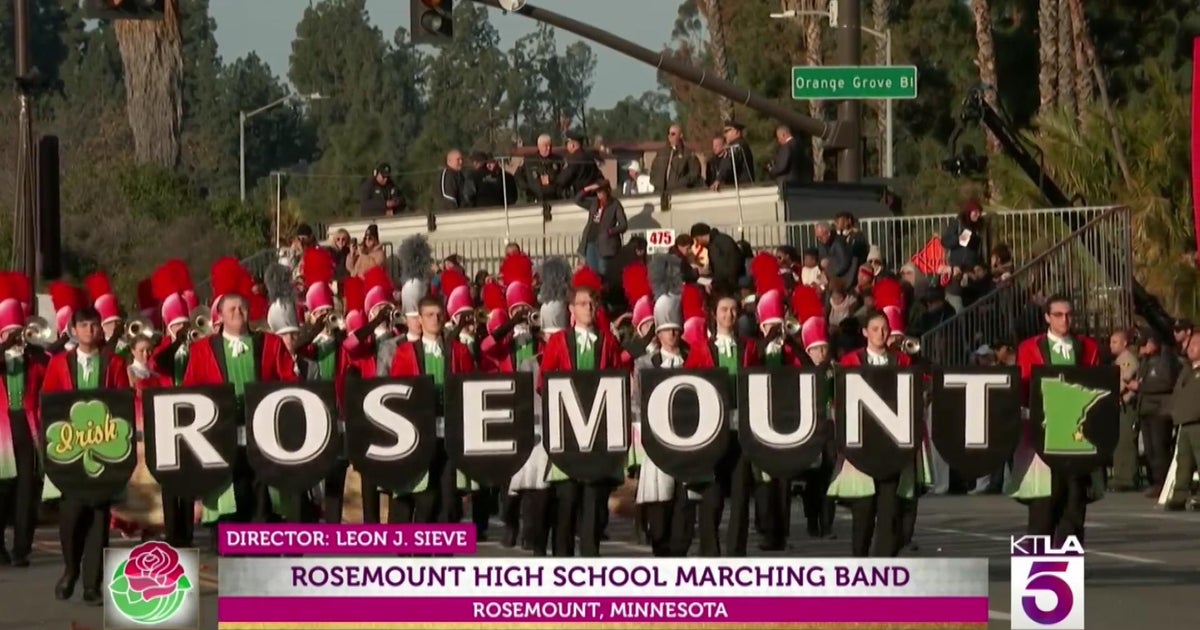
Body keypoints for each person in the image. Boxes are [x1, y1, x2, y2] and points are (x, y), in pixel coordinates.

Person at [183, 259, 297, 527]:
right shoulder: (203, 350)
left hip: (264, 438)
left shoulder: (271, 343)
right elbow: (191, 390)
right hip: (221, 440)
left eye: (242, 307)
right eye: (231, 308)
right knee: (230, 509)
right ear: (220, 314)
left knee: (264, 508)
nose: (238, 312)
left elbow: (289, 382)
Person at [44, 306, 131, 604]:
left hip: (104, 449)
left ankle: (92, 585)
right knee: (72, 515)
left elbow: (124, 402)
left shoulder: (115, 363)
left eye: (95, 325)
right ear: (74, 330)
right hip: (71, 450)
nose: (91, 331)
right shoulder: (59, 364)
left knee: (98, 517)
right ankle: (70, 569)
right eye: (84, 326)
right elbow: (50, 404)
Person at [538, 284, 626, 556]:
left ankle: (590, 566)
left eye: (592, 303)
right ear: (572, 309)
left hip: (597, 438)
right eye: (583, 303)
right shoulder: (558, 342)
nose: (588, 308)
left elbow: (617, 382)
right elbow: (544, 383)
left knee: (593, 508)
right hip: (566, 436)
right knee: (566, 503)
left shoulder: (608, 342)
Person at [1009, 294, 1102, 544]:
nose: (1065, 320)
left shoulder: (1090, 347)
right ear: (1047, 317)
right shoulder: (1029, 347)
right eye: (1059, 315)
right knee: (1043, 502)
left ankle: (1067, 564)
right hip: (1041, 435)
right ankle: (1041, 564)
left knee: (1074, 502)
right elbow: (1023, 387)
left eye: (1069, 314)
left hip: (1077, 436)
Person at [830, 308, 916, 557]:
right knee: (864, 512)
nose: (881, 333)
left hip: (893, 446)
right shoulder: (850, 362)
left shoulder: (902, 361)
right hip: (862, 445)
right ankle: (860, 564)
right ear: (865, 332)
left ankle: (885, 567)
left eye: (885, 329)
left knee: (890, 513)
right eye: (876, 329)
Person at [683, 293, 759, 556]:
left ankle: (737, 554)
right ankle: (709, 553)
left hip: (741, 433)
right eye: (724, 310)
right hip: (712, 434)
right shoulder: (701, 348)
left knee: (740, 497)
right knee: (712, 498)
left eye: (733, 310)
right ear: (714, 314)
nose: (729, 315)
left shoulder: (748, 347)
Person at [389, 297, 475, 523]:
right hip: (420, 433)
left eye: (438, 314)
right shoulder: (406, 352)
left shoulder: (458, 350)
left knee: (448, 501)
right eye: (429, 315)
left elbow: (468, 384)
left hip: (449, 433)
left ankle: (443, 554)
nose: (435, 319)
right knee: (425, 498)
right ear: (419, 319)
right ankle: (421, 551)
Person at [630, 256, 689, 556]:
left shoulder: (692, 360)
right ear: (658, 332)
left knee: (683, 500)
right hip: (654, 441)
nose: (672, 334)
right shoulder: (644, 363)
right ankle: (659, 546)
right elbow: (635, 400)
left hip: (688, 440)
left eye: (676, 329)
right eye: (667, 329)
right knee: (658, 498)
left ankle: (679, 550)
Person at [0, 273, 46, 568]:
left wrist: (30, 348)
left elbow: (51, 368)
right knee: (2, 488)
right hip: (2, 427)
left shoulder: (34, 358)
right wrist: (4, 347)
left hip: (28, 425)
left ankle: (21, 548)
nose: (16, 337)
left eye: (19, 331)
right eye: (10, 332)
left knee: (27, 488)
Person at [1133, 329, 1179, 498]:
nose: (1145, 346)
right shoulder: (1146, 361)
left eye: (1148, 342)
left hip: (1160, 410)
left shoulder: (1165, 360)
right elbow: (1141, 378)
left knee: (1160, 448)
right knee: (1150, 449)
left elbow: (1166, 382)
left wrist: (1141, 387)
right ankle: (1156, 481)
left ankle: (1163, 483)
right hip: (1145, 409)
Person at [1164, 332, 1200, 510]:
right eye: (1190, 344)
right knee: (1183, 461)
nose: (1190, 348)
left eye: (1195, 344)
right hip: (1184, 421)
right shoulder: (1186, 369)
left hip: (1197, 421)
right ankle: (1179, 496)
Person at [575, 180, 628, 277]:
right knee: (592, 270)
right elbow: (577, 200)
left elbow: (623, 224)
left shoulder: (615, 204)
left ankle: (604, 289)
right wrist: (588, 188)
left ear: (607, 191)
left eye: (601, 192)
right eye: (597, 192)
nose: (599, 194)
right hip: (590, 240)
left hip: (605, 243)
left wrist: (610, 231)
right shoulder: (594, 203)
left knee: (603, 270)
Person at [1109, 329, 1140, 491]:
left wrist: (1109, 394)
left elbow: (1123, 382)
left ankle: (1126, 478)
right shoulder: (1119, 360)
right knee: (1119, 441)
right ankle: (1120, 476)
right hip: (1119, 405)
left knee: (1125, 441)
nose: (1111, 345)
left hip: (1126, 406)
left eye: (1115, 342)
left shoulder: (1127, 360)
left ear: (1125, 343)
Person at [689, 223, 741, 297]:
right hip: (733, 278)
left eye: (697, 240)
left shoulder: (715, 245)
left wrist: (713, 282)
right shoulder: (722, 239)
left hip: (728, 283)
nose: (698, 243)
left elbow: (720, 268)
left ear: (701, 236)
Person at [649, 124, 703, 192]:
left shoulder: (688, 154)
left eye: (673, 134)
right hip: (660, 193)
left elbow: (695, 174)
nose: (670, 136)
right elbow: (653, 172)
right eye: (669, 134)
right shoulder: (661, 154)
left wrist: (681, 184)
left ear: (681, 135)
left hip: (679, 194)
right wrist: (656, 183)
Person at [555, 131, 603, 198]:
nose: (566, 146)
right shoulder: (589, 157)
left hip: (580, 197)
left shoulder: (574, 159)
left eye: (567, 143)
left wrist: (554, 181)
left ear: (573, 145)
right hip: (593, 196)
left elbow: (563, 179)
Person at [710, 120, 755, 191]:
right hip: (742, 188)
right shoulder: (739, 145)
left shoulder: (737, 146)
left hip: (743, 189)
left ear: (736, 132)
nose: (725, 135)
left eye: (727, 131)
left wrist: (719, 179)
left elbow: (729, 161)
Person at [518, 134, 563, 203]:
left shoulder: (558, 160)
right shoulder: (529, 160)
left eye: (550, 146)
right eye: (546, 146)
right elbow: (518, 175)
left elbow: (564, 176)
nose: (548, 148)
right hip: (535, 198)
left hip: (555, 198)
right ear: (539, 146)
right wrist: (527, 188)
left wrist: (552, 180)